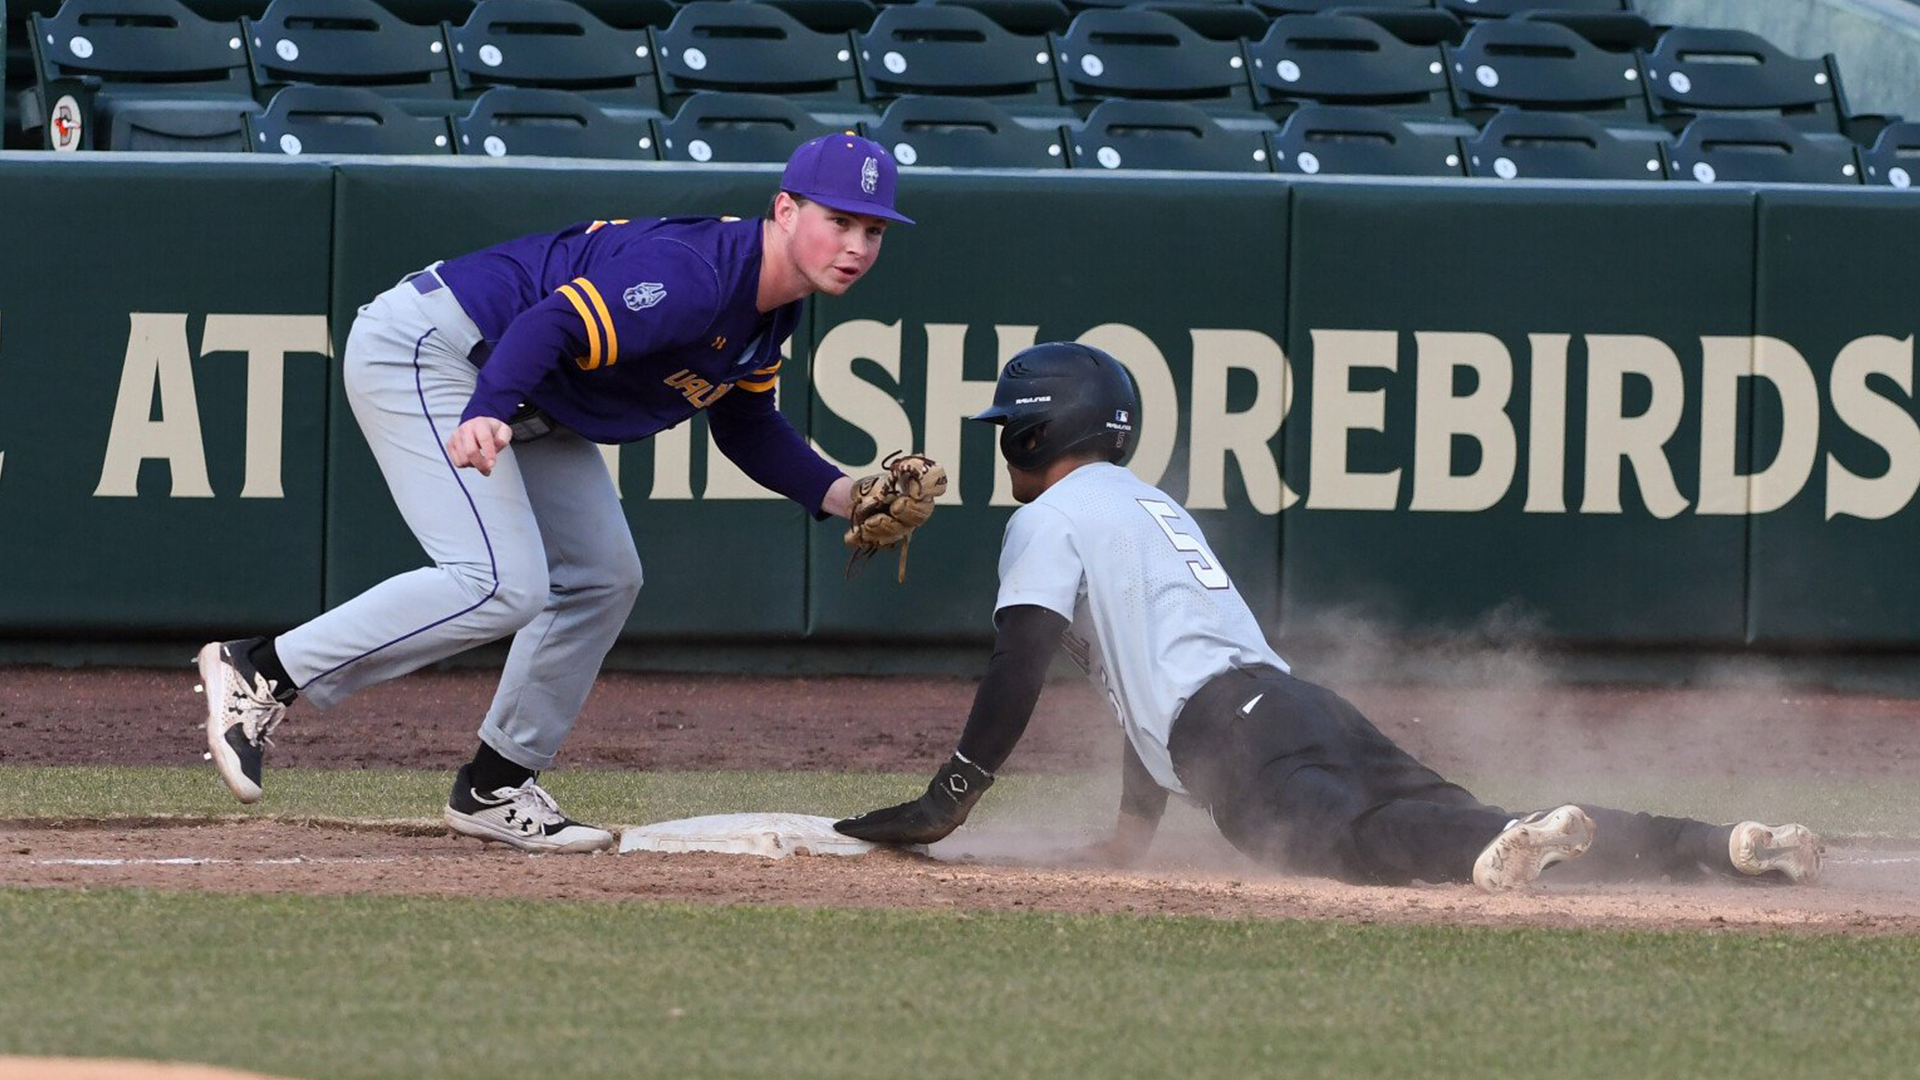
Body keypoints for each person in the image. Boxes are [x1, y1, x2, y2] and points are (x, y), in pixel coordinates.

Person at [835, 342, 1825, 893]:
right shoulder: (1146, 505)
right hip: (1296, 707)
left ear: (1039, 428)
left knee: (1360, 847)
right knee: (1468, 818)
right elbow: (1150, 684)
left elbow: (1023, 663)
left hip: (1238, 736)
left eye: (1010, 426)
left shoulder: (1049, 517)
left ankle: (1515, 846)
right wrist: (1133, 835)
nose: (1005, 442)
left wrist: (950, 799)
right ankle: (1718, 845)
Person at [199, 134, 926, 854]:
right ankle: (263, 668)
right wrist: (488, 405)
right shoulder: (698, 275)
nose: (857, 244)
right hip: (441, 349)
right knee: (497, 584)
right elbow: (550, 321)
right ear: (786, 211)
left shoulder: (770, 314)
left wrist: (847, 495)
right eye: (839, 220)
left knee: (604, 578)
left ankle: (495, 786)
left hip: (528, 397)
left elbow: (748, 427)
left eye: (873, 230)